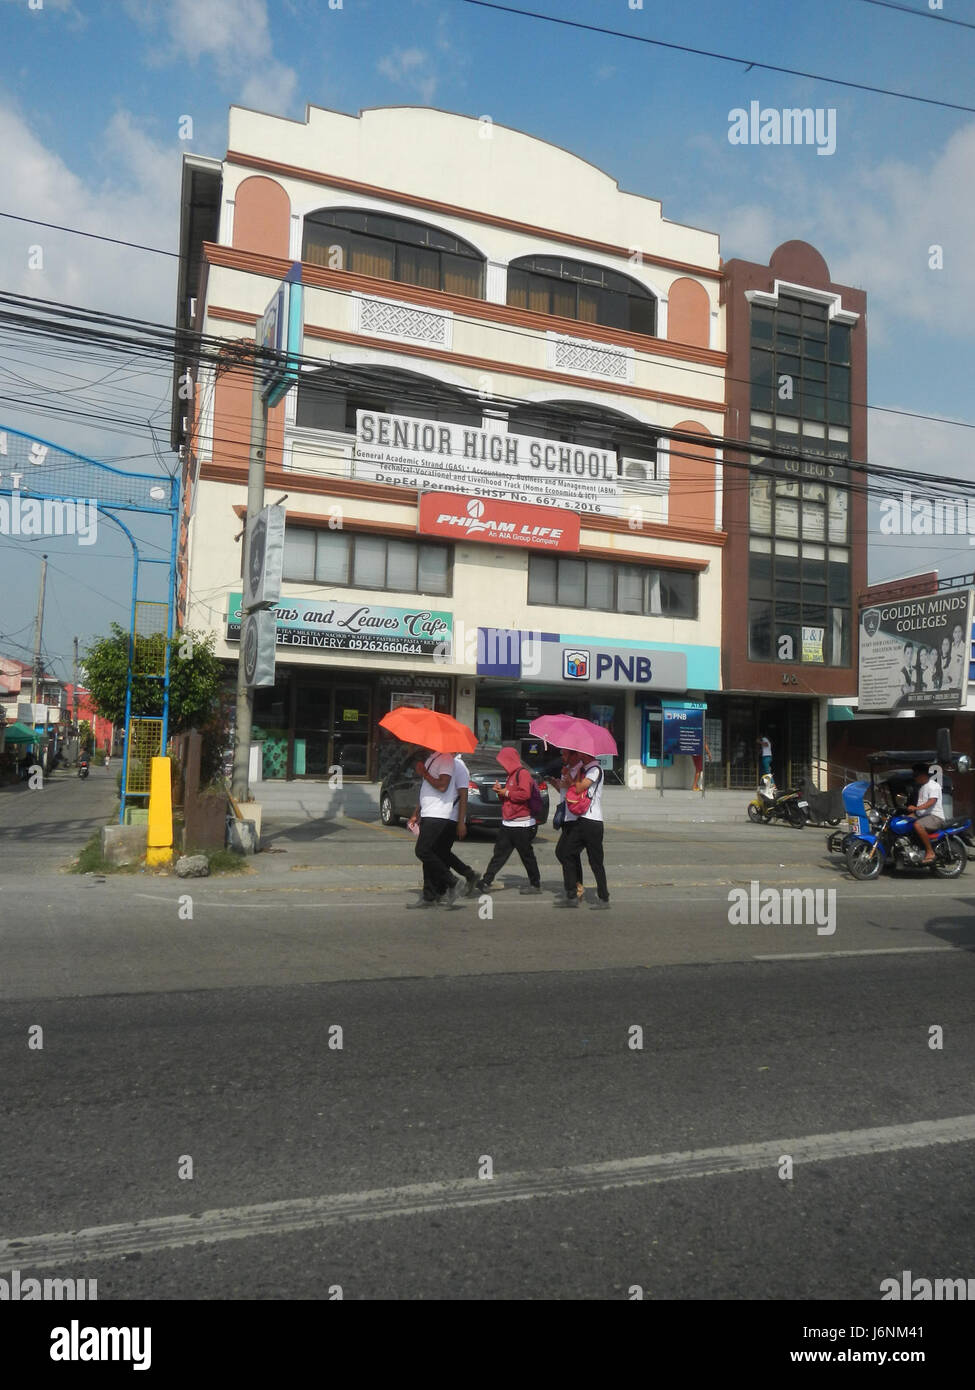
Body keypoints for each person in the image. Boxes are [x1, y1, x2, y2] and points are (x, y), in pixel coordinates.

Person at [475, 747, 541, 895]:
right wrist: (500, 792)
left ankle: (535, 884)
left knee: (526, 856)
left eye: (504, 761)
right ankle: (486, 881)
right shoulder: (511, 775)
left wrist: (506, 792)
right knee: (499, 854)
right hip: (509, 822)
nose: (502, 765)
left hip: (521, 824)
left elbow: (524, 794)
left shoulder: (522, 774)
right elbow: (509, 797)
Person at [406, 748, 462, 907]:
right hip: (429, 811)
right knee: (429, 853)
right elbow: (427, 788)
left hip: (438, 813)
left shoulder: (445, 759)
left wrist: (424, 773)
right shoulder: (433, 757)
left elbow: (443, 786)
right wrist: (417, 812)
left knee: (422, 850)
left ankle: (452, 881)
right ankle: (429, 896)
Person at [554, 751, 609, 909]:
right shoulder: (584, 770)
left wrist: (570, 780)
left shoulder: (595, 770)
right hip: (582, 820)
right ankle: (572, 894)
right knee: (567, 853)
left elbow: (579, 788)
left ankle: (604, 897)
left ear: (587, 755)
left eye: (581, 754)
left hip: (593, 822)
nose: (579, 757)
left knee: (596, 862)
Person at [546, 748, 585, 899]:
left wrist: (567, 778)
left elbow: (579, 790)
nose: (562, 757)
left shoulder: (581, 770)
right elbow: (564, 791)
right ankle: (577, 885)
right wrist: (556, 783)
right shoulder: (568, 769)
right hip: (566, 817)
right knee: (570, 854)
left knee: (565, 852)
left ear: (574, 754)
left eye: (565, 754)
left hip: (577, 817)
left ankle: (573, 888)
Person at [443, 754, 479, 897]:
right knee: (441, 852)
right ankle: (467, 875)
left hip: (451, 816)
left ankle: (453, 882)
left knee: (439, 852)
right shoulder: (444, 762)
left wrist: (461, 821)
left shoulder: (458, 766)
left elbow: (463, 795)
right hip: (441, 815)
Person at [907, 764, 946, 865]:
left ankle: (930, 852)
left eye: (916, 775)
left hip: (935, 817)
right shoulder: (923, 787)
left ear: (923, 775)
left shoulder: (933, 786)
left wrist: (916, 808)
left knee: (918, 825)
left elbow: (931, 802)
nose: (914, 778)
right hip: (924, 816)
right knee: (903, 821)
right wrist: (913, 813)